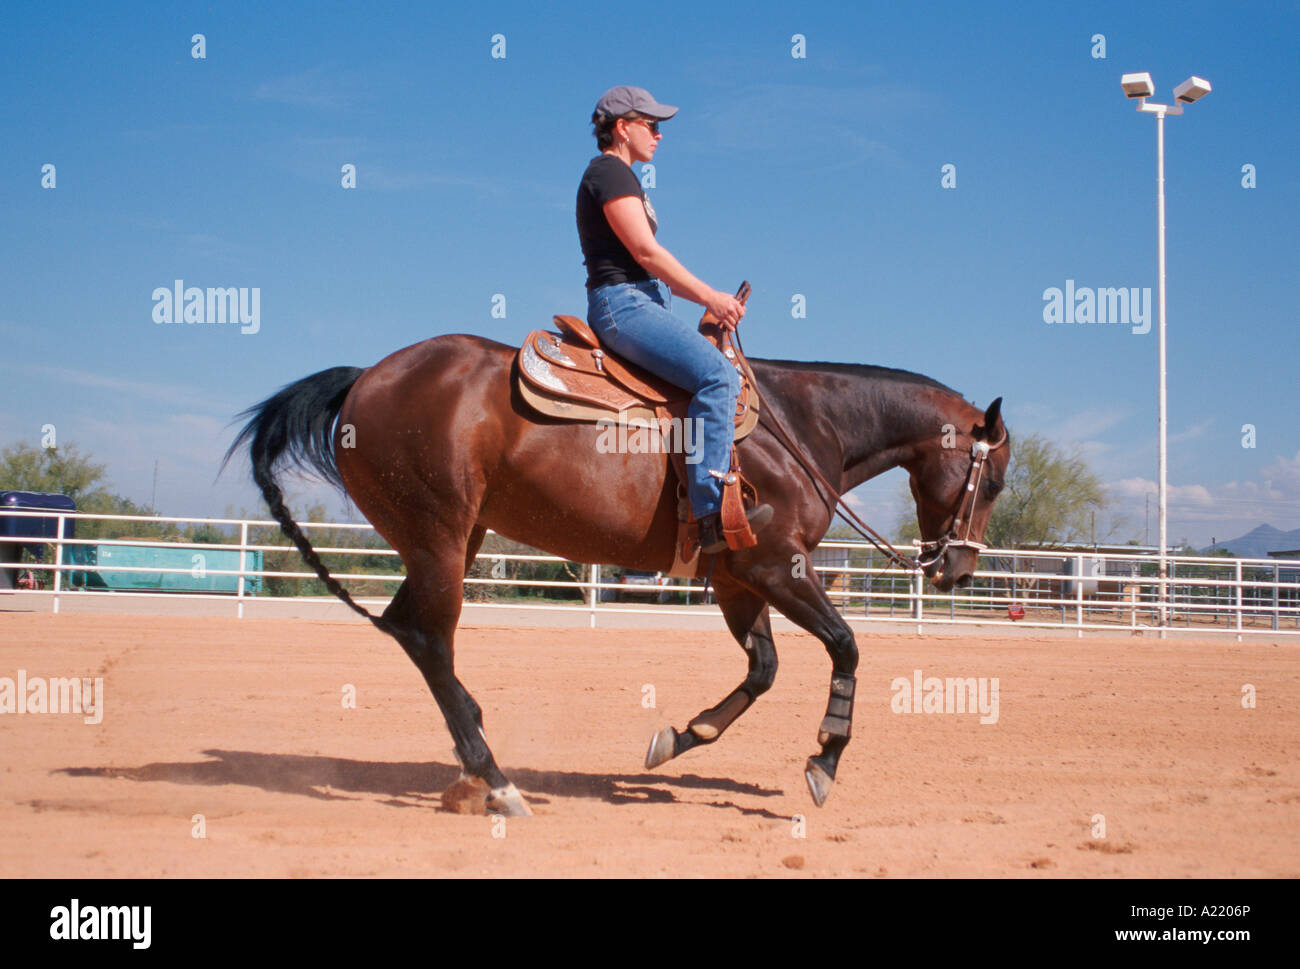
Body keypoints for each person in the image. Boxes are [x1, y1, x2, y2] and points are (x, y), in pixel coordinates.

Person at [576, 85, 773, 553]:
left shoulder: (622, 177)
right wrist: (711, 296)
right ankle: (710, 514)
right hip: (625, 305)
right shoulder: (609, 173)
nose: (660, 136)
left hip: (642, 302)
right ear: (623, 127)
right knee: (720, 378)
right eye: (652, 125)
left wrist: (702, 304)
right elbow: (646, 253)